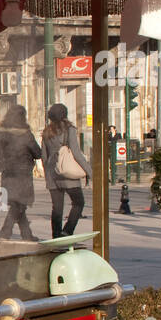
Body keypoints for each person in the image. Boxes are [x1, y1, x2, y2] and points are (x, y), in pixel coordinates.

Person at [42, 102, 91, 239]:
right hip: (68, 173)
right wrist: (89, 171)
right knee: (78, 203)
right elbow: (76, 153)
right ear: (65, 114)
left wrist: (47, 176)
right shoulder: (70, 129)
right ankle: (68, 230)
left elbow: (44, 156)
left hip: (53, 174)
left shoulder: (46, 132)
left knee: (57, 208)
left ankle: (56, 236)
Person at [0, 103, 42, 241]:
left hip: (8, 173)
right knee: (19, 204)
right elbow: (38, 153)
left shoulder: (1, 133)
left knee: (18, 205)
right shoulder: (26, 135)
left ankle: (26, 234)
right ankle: (5, 232)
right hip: (22, 175)